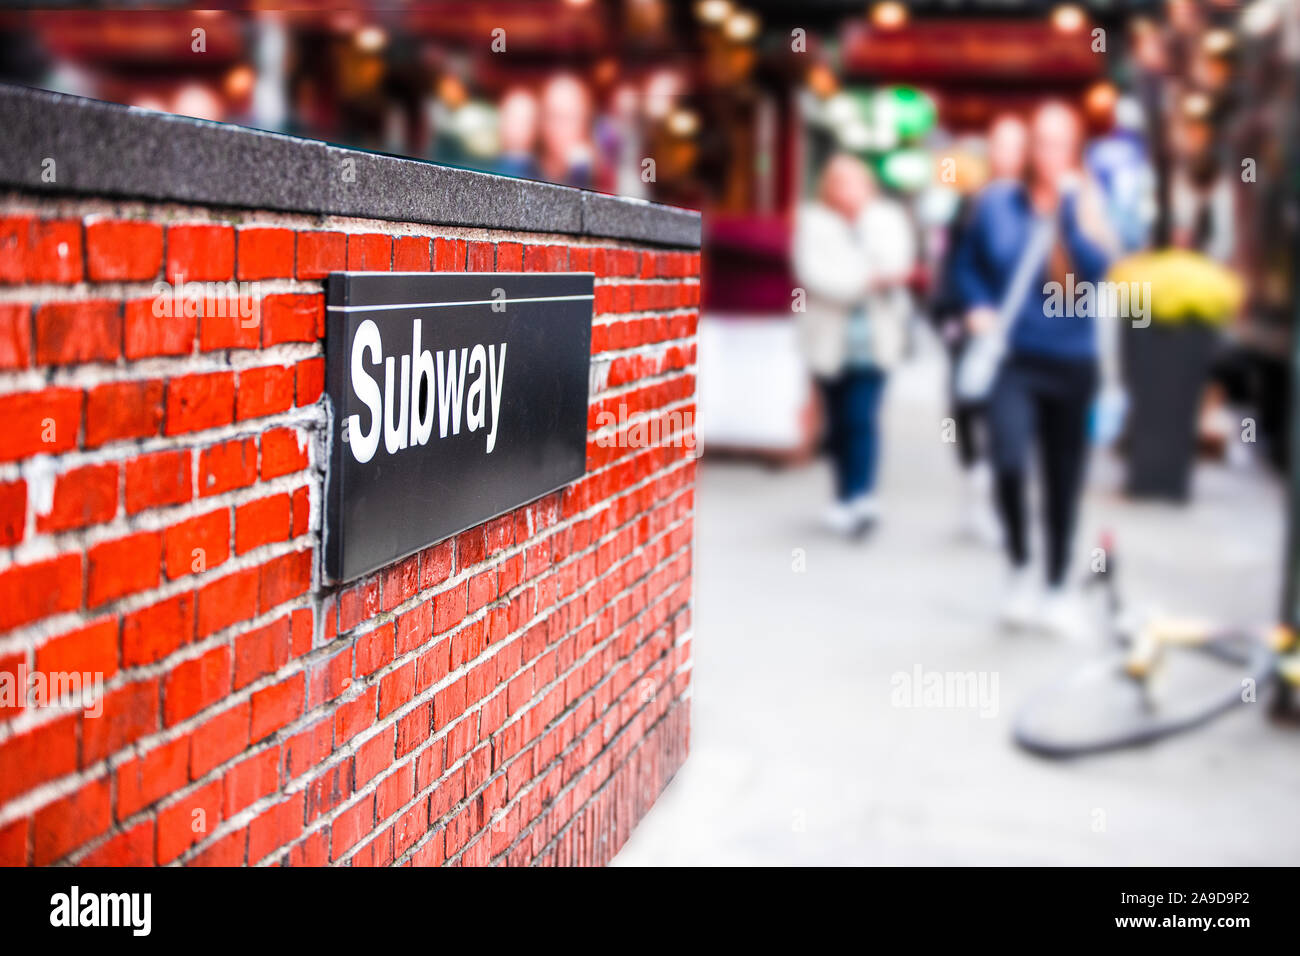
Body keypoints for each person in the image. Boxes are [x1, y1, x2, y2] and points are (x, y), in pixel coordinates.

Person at [952, 102, 1116, 636]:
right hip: (1013, 359)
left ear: (1075, 149)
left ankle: (1055, 585)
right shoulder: (996, 204)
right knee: (1008, 461)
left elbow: (1095, 273)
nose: (1049, 152)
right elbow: (966, 264)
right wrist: (975, 303)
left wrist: (1067, 213)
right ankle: (1020, 564)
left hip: (1071, 361)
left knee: (1064, 481)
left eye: (1060, 142)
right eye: (1040, 141)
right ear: (1027, 148)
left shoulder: (1088, 204)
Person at [793, 153, 916, 536]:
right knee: (838, 420)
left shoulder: (887, 219)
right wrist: (866, 279)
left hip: (876, 339)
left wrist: (859, 273)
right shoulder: (813, 222)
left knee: (862, 417)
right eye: (839, 182)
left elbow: (898, 266)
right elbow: (817, 275)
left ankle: (862, 497)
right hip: (829, 341)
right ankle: (843, 495)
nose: (847, 191)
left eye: (854, 182)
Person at [932, 114, 1028, 544]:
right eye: (999, 146)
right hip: (973, 329)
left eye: (1014, 146)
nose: (1006, 155)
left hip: (1022, 335)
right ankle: (975, 486)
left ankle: (998, 497)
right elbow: (953, 266)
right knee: (966, 408)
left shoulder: (1039, 205)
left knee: (1008, 419)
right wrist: (958, 312)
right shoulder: (970, 205)